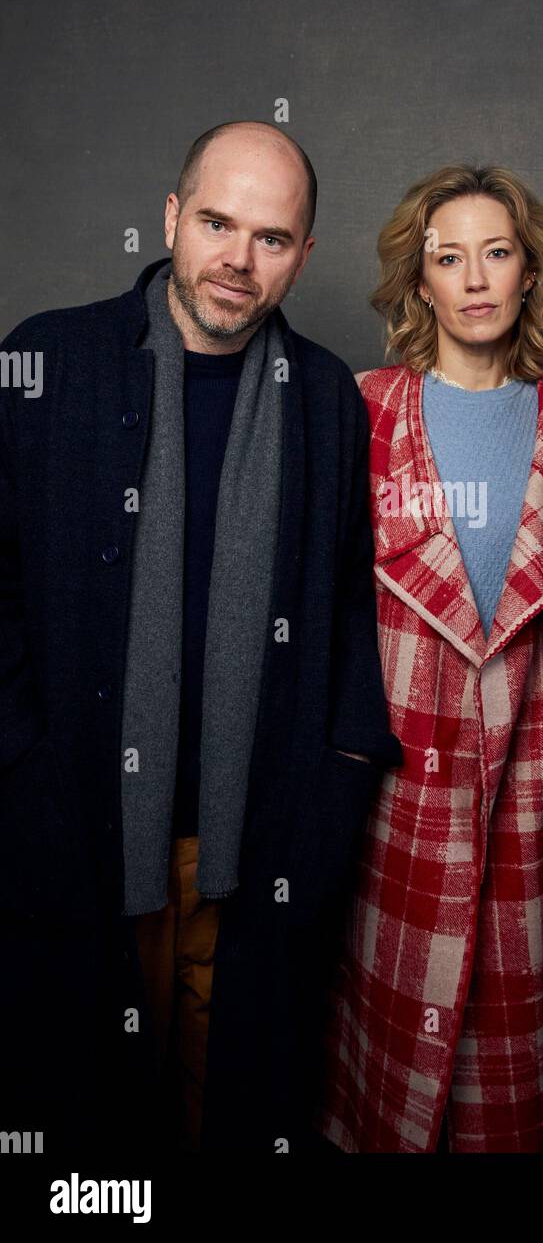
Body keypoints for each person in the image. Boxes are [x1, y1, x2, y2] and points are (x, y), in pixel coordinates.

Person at [0, 120, 401, 1154]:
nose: (237, 258)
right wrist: (24, 777)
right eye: (217, 222)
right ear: (173, 218)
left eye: (271, 237)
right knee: (85, 1118)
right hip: (76, 836)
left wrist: (337, 787)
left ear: (303, 256)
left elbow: (349, 608)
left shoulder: (321, 396)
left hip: (248, 849)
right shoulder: (45, 360)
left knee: (233, 1113)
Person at [317, 164, 543, 1153]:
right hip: (396, 796)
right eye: (449, 257)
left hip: (537, 794)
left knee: (506, 1079)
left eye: (496, 251)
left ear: (528, 271)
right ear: (418, 282)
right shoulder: (362, 410)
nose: (474, 277)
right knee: (388, 1069)